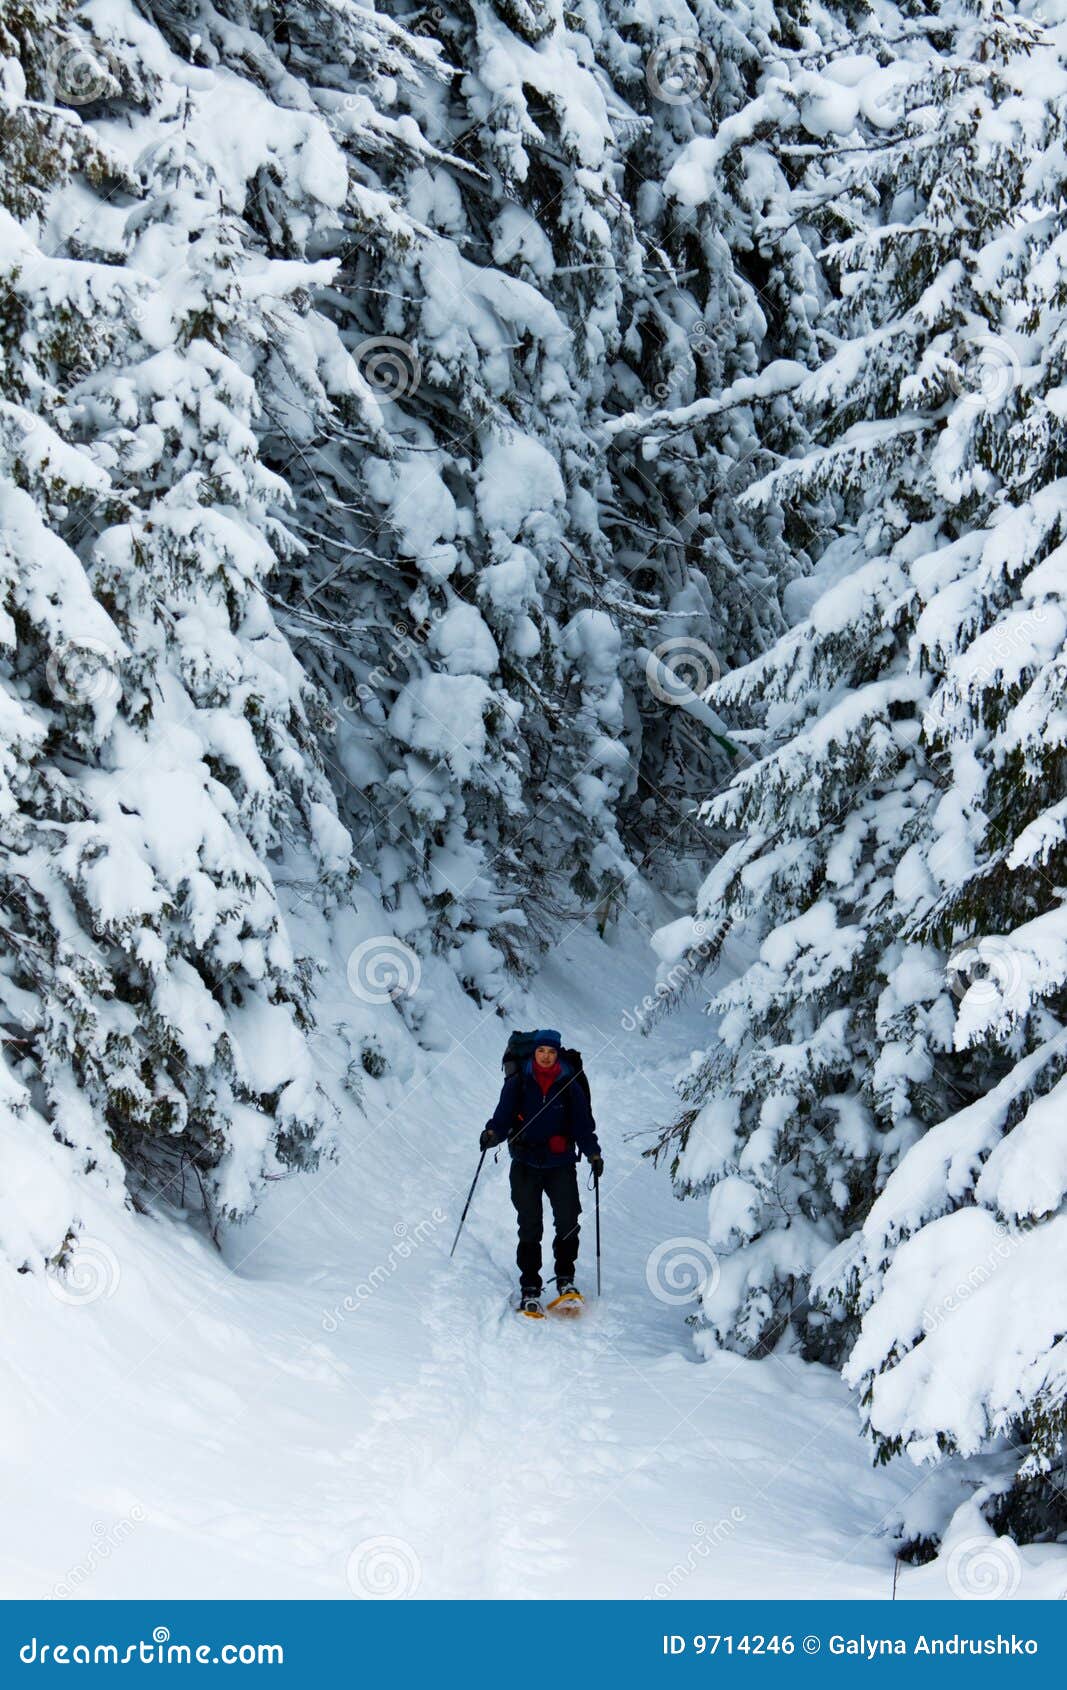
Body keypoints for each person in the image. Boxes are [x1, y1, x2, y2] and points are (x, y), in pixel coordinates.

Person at [480, 1029, 603, 1317]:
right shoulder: (518, 1082)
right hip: (525, 1163)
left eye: (551, 1051)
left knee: (568, 1220)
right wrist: (491, 1134)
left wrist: (593, 1153)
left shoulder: (569, 1083)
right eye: (541, 1051)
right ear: (534, 1053)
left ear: (557, 1053)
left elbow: (583, 1125)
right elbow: (502, 1116)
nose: (546, 1056)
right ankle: (530, 1287)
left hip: (560, 1164)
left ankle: (565, 1279)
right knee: (530, 1225)